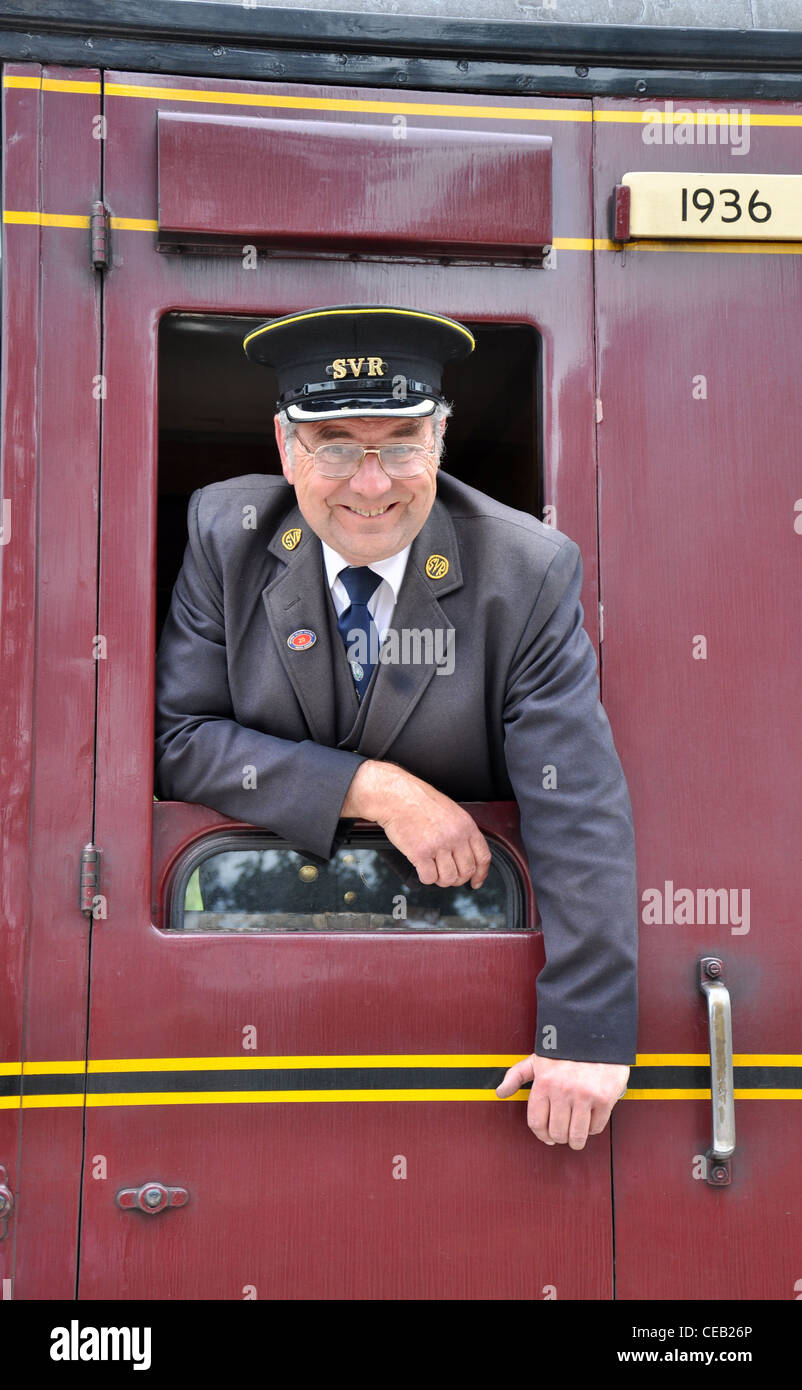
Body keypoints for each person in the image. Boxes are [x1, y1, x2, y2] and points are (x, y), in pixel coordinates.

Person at [155, 303, 637, 1150]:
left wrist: (587, 1033)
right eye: (335, 444)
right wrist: (373, 789)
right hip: (254, 958)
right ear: (284, 448)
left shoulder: (525, 571)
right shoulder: (223, 538)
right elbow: (181, 739)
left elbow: (577, 800)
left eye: (401, 443)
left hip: (451, 956)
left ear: (440, 442)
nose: (370, 483)